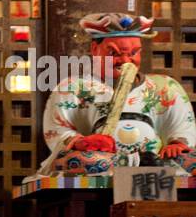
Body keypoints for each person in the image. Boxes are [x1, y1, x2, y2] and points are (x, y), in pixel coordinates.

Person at [35, 12, 196, 176]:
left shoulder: (164, 86)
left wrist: (177, 142)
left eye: (133, 53)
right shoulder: (73, 87)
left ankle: (144, 163)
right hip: (105, 161)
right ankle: (133, 163)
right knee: (86, 161)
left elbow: (182, 124)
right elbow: (56, 128)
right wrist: (80, 142)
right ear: (95, 49)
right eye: (114, 53)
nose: (125, 60)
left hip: (156, 158)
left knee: (190, 159)